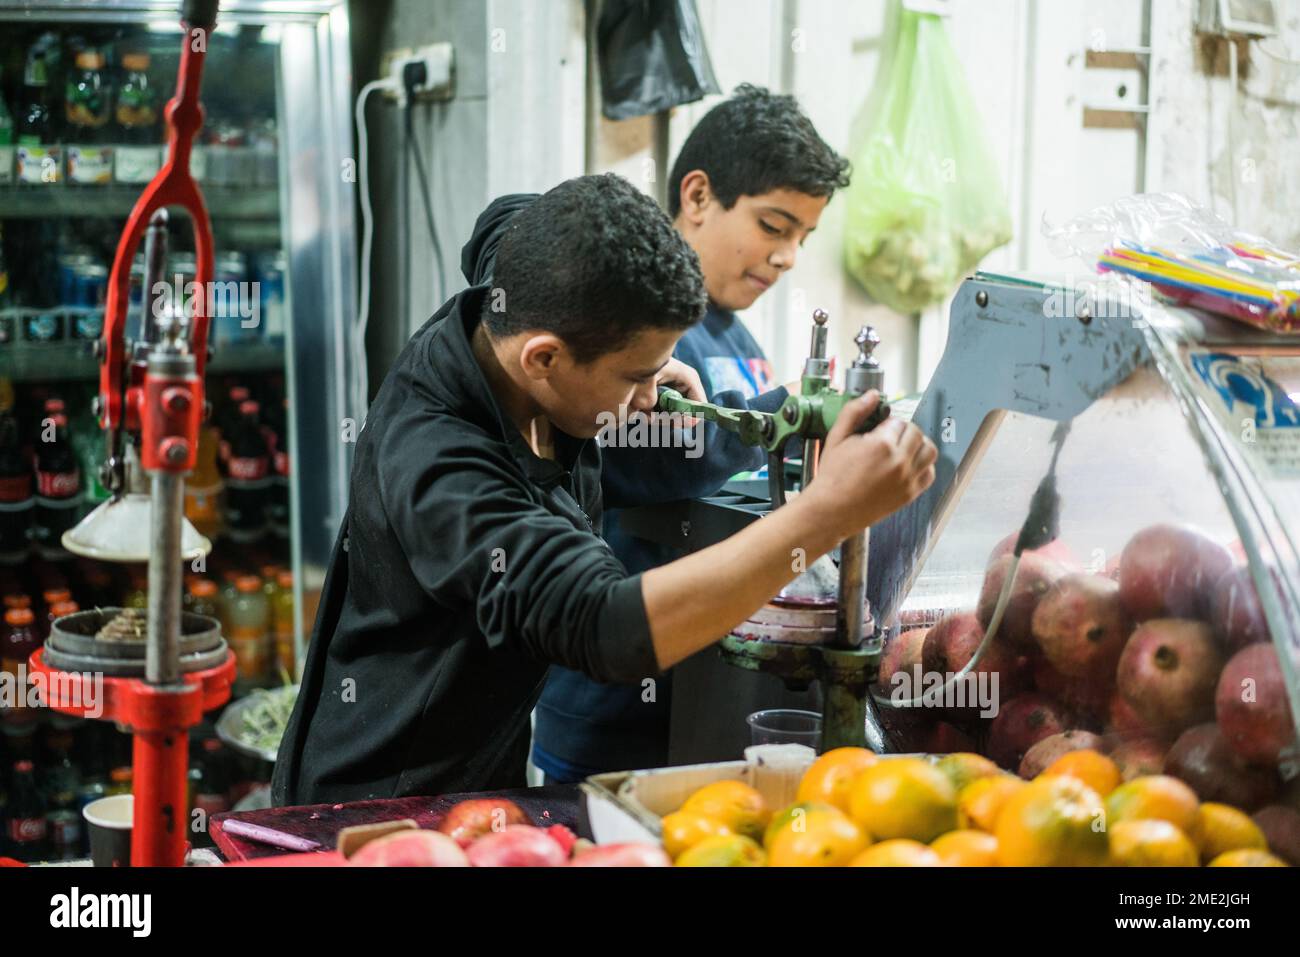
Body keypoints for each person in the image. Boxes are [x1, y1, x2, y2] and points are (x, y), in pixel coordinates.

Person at [271, 173, 934, 804]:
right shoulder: (443, 470)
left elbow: (507, 217)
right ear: (544, 357)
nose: (652, 395)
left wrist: (641, 357)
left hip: (491, 784)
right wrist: (825, 514)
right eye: (635, 375)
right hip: (373, 810)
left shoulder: (523, 281)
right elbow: (604, 624)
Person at [532, 85, 851, 782]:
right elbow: (656, 456)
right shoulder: (632, 330)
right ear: (698, 196)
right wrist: (786, 411)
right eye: (774, 226)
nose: (790, 255)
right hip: (608, 704)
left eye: (803, 236)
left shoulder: (735, 334)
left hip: (700, 689)